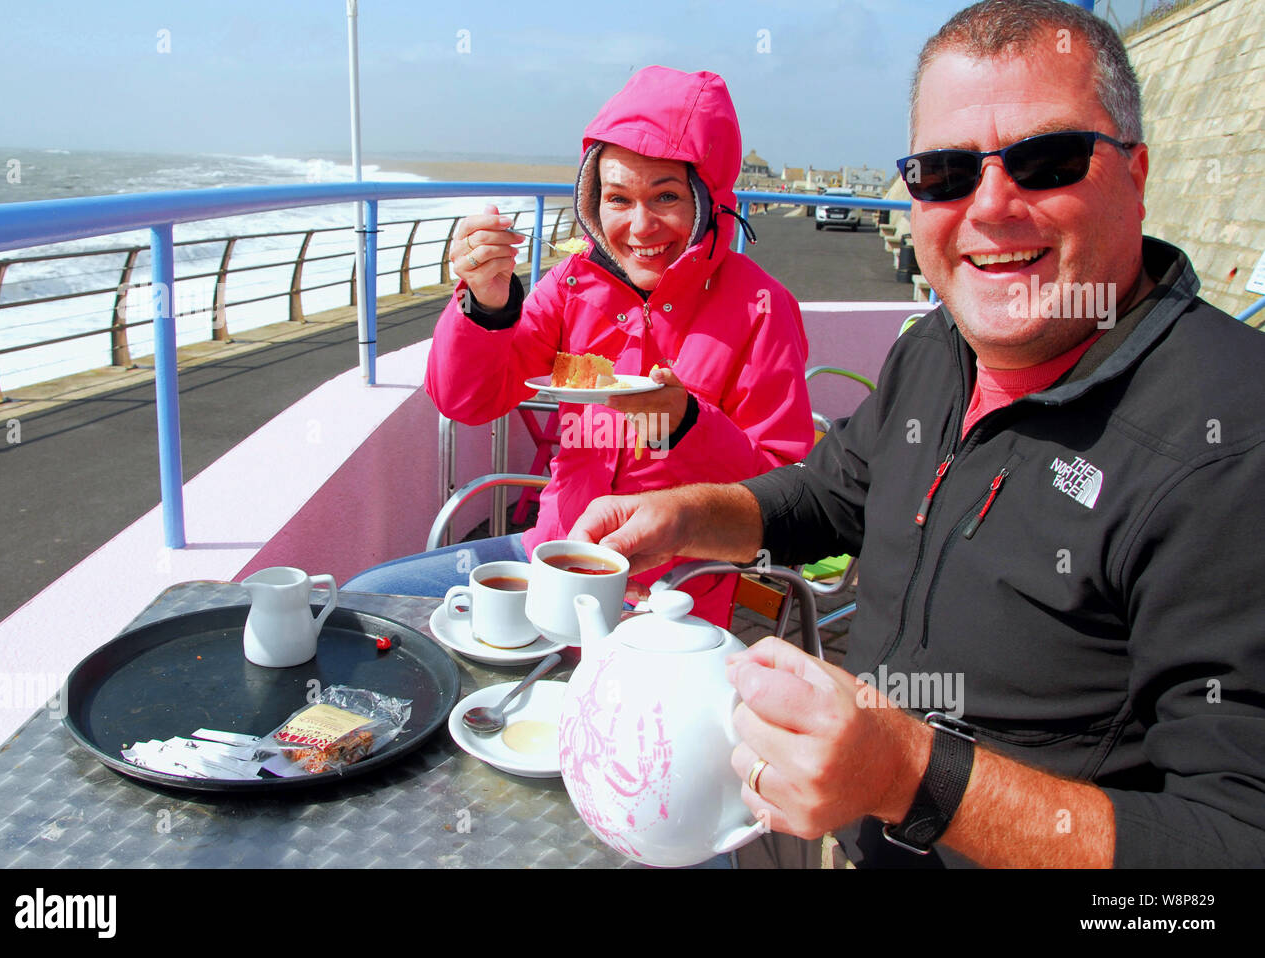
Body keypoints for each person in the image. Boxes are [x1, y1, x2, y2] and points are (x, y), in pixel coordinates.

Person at [571, 0, 1265, 868]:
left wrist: (911, 776)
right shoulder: (942, 346)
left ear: (1136, 174)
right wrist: (684, 515)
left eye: (1047, 160)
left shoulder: (1231, 445)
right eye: (945, 172)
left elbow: (1233, 843)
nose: (992, 206)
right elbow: (833, 492)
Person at [344, 66, 814, 626]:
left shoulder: (760, 306)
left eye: (666, 196)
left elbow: (783, 493)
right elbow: (467, 401)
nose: (640, 227)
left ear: (708, 200)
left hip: (673, 595)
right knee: (363, 603)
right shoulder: (570, 284)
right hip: (554, 554)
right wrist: (486, 306)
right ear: (593, 202)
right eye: (617, 199)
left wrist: (686, 423)